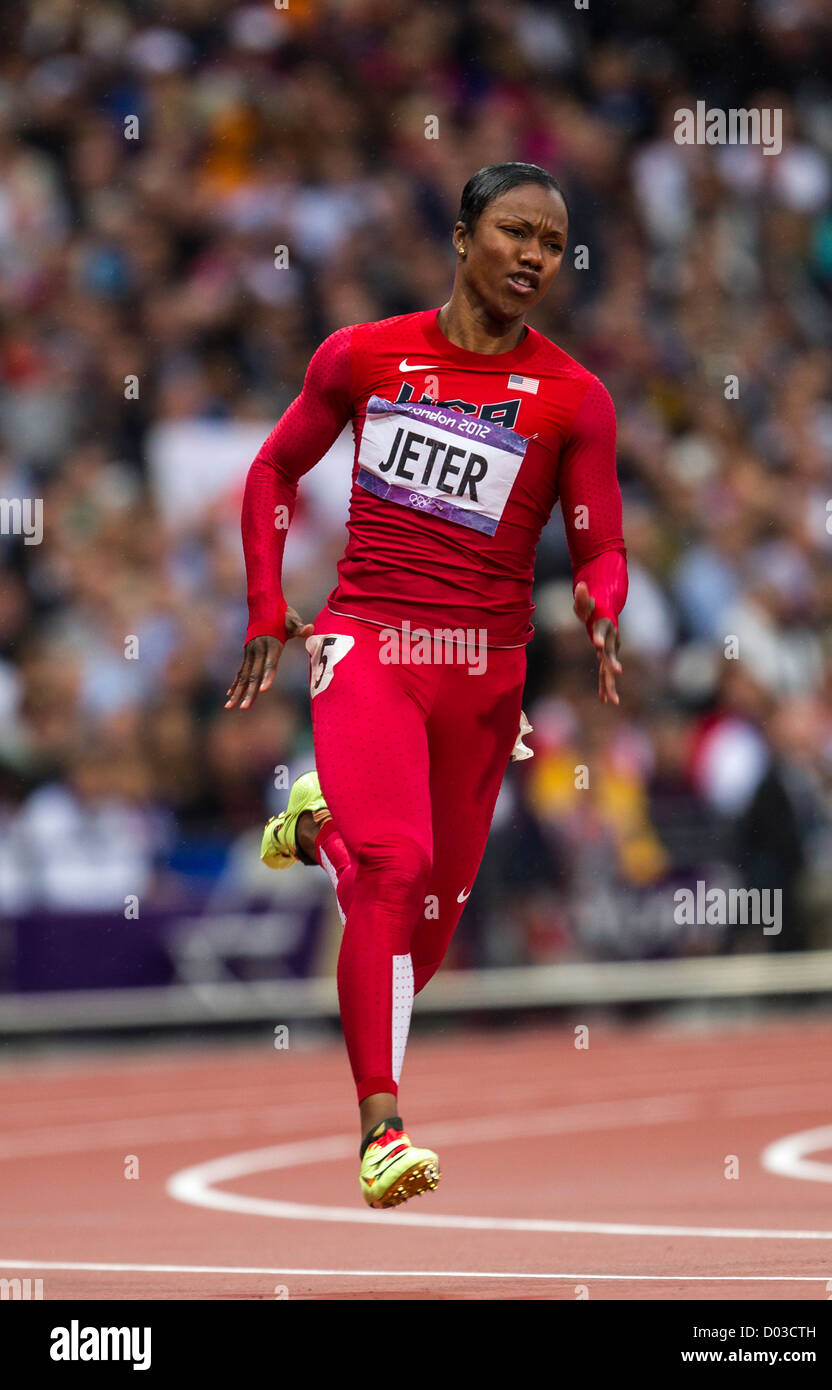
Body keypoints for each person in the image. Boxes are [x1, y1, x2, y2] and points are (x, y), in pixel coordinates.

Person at [226, 162, 628, 1208]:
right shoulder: (361, 356)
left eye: (551, 239)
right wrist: (267, 600)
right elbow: (273, 469)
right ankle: (380, 1128)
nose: (535, 254)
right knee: (398, 867)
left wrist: (598, 598)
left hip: (484, 677)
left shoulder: (574, 398)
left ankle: (317, 831)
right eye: (514, 231)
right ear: (460, 236)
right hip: (368, 645)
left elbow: (600, 544)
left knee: (419, 943)